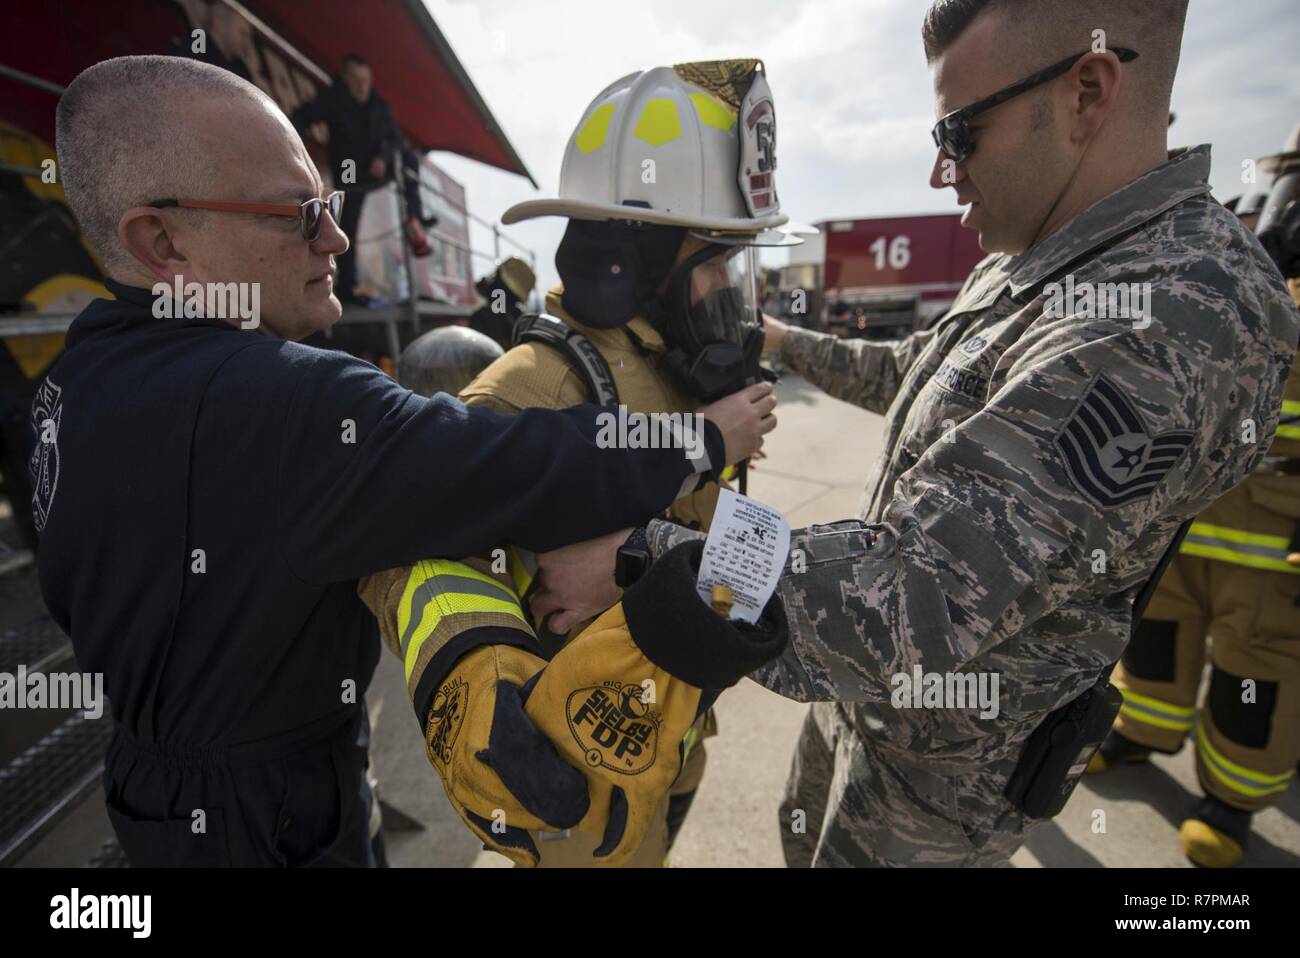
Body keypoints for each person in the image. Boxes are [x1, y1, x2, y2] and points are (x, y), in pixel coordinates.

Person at [529, 0, 1300, 867]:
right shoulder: (1034, 258)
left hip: (943, 781)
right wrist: (781, 342)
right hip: (859, 696)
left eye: (961, 132)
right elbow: (916, 376)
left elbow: (922, 586)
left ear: (1088, 91)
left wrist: (641, 561)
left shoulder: (1174, 310)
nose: (943, 172)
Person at [34, 54, 771, 867]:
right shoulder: (279, 402)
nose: (336, 237)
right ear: (162, 240)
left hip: (154, 789)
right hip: (268, 818)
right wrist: (700, 442)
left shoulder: (74, 381)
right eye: (297, 213)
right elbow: (495, 463)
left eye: (331, 204)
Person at [358, 59, 793, 867]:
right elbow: (397, 534)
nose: (732, 299)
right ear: (641, 262)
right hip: (581, 777)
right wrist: (472, 672)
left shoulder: (677, 378)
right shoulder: (542, 381)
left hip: (676, 729)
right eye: (716, 268)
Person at [1089, 126, 1300, 868]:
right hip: (1189, 519)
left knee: (1256, 668)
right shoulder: (1239, 268)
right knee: (1157, 640)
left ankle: (1233, 802)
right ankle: (1142, 734)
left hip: (1279, 545)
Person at [291, 53, 433, 302]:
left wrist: (383, 157)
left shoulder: (379, 105)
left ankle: (414, 218)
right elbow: (301, 116)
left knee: (409, 158)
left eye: (366, 80)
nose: (361, 85)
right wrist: (297, 152)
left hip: (377, 167)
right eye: (356, 80)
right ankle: (347, 286)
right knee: (348, 225)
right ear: (345, 79)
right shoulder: (334, 98)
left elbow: (394, 139)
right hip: (349, 173)